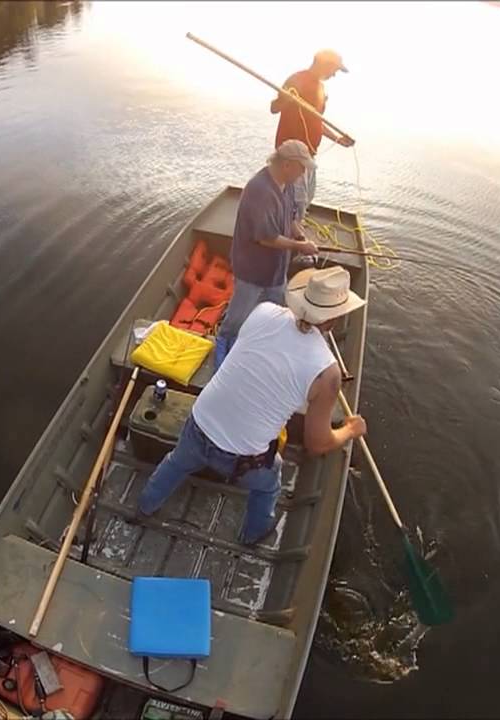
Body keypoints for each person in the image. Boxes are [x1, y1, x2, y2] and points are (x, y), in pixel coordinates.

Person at [138, 265, 368, 546]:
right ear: (333, 319)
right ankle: (253, 534)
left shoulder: (264, 311)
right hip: (242, 459)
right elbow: (317, 444)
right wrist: (349, 429)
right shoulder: (327, 373)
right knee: (269, 485)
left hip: (198, 424)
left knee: (176, 462)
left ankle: (145, 505)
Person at [214, 139, 319, 366]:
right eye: (302, 169)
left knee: (276, 310)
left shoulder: (288, 185)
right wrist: (301, 247)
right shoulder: (259, 190)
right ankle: (223, 346)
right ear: (287, 165)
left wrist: (300, 235)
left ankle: (262, 348)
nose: (303, 175)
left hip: (276, 270)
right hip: (252, 270)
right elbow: (266, 238)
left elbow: (290, 219)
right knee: (236, 318)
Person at [271, 49, 354, 224]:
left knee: (305, 199)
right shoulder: (296, 80)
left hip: (309, 156)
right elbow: (274, 108)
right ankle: (290, 242)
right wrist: (286, 99)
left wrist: (337, 139)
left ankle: (294, 234)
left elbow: (317, 122)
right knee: (294, 203)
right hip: (292, 157)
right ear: (326, 64)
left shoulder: (321, 88)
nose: (334, 75)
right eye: (335, 70)